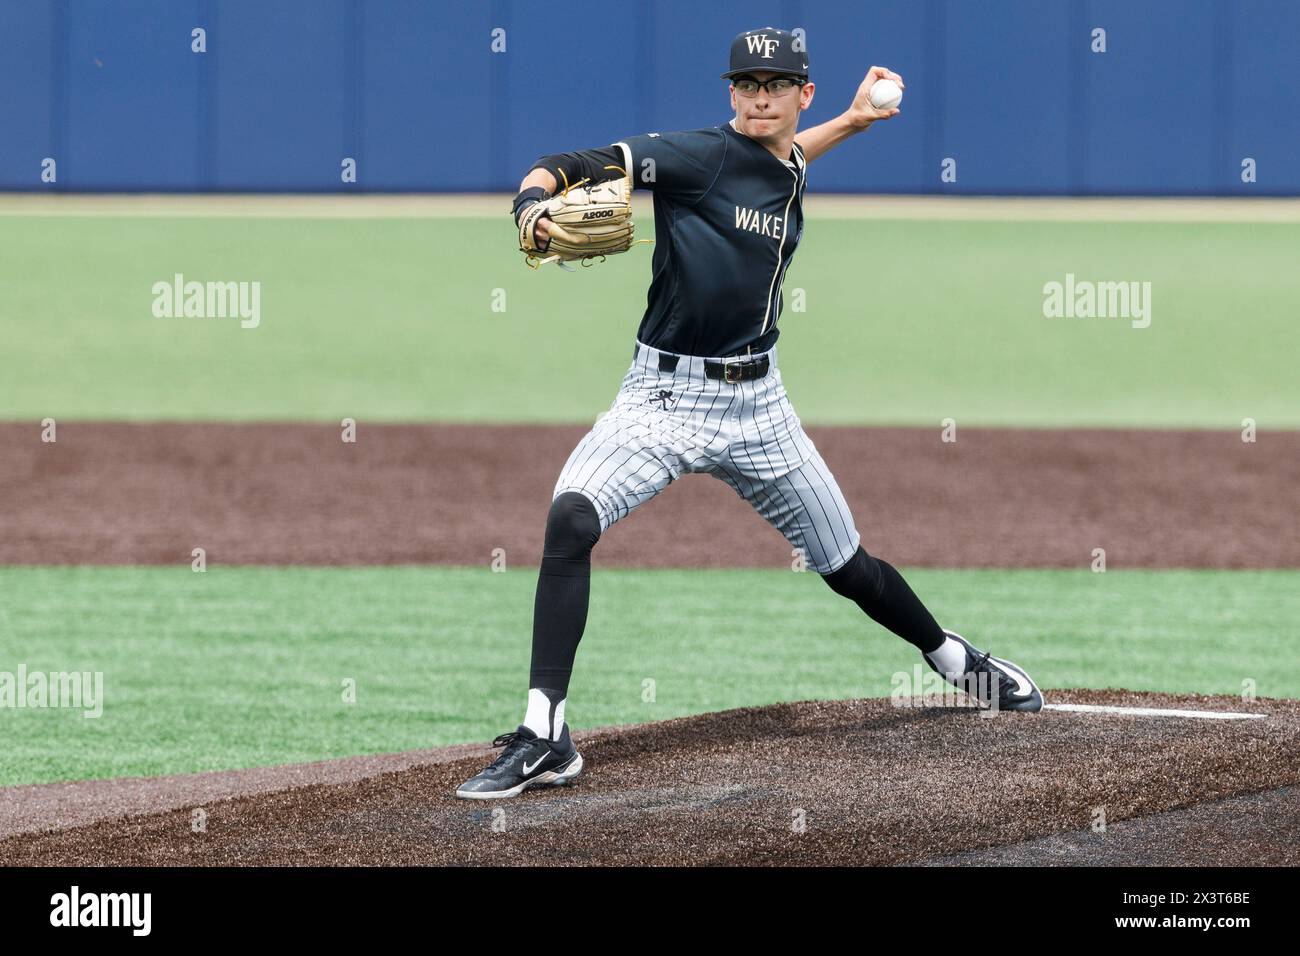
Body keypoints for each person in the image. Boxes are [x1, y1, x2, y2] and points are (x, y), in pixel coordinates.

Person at [455, 27, 1041, 801]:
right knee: (570, 519)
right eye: (746, 83)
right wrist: (531, 202)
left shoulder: (789, 160)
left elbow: (786, 161)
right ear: (731, 93)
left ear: (804, 95)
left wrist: (856, 123)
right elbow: (575, 164)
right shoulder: (694, 156)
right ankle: (545, 732)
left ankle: (954, 659)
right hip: (663, 397)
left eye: (776, 84)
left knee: (847, 566)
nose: (759, 96)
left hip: (761, 406)